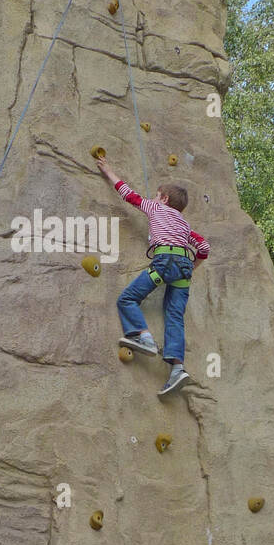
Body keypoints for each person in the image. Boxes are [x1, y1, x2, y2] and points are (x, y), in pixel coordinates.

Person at [96, 158, 209, 395]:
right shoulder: (185, 226)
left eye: (157, 196)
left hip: (165, 261)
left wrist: (108, 171)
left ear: (164, 199)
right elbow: (204, 247)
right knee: (174, 316)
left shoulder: (156, 207)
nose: (154, 199)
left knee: (127, 298)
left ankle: (144, 337)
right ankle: (178, 369)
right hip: (183, 270)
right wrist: (190, 267)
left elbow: (129, 195)